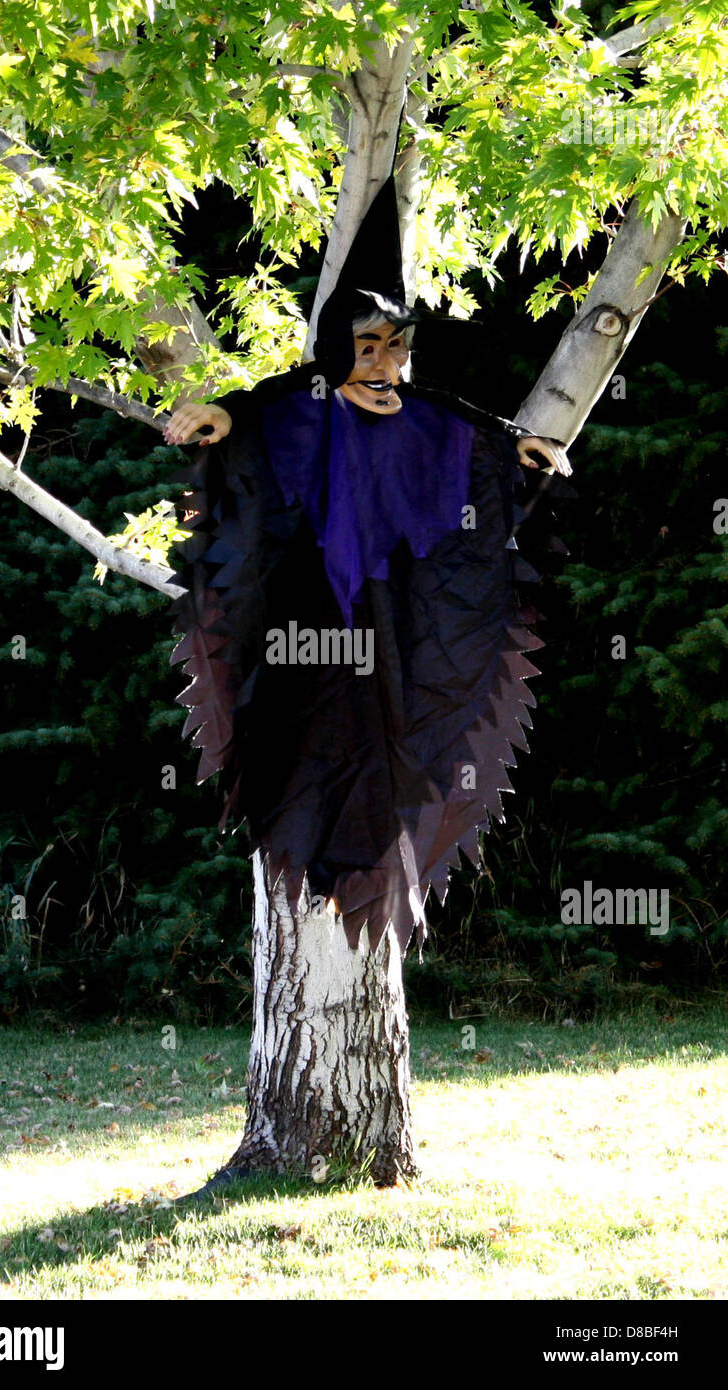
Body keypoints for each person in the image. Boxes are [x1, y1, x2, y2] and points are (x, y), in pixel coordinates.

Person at [164, 178, 571, 951]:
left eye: (396, 348)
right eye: (366, 347)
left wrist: (515, 450)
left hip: (397, 638)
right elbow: (260, 412)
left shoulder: (425, 419)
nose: (384, 364)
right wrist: (223, 415)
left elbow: (469, 429)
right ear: (333, 349)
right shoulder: (295, 409)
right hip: (308, 640)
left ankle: (383, 875)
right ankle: (312, 845)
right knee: (305, 738)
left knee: (401, 744)